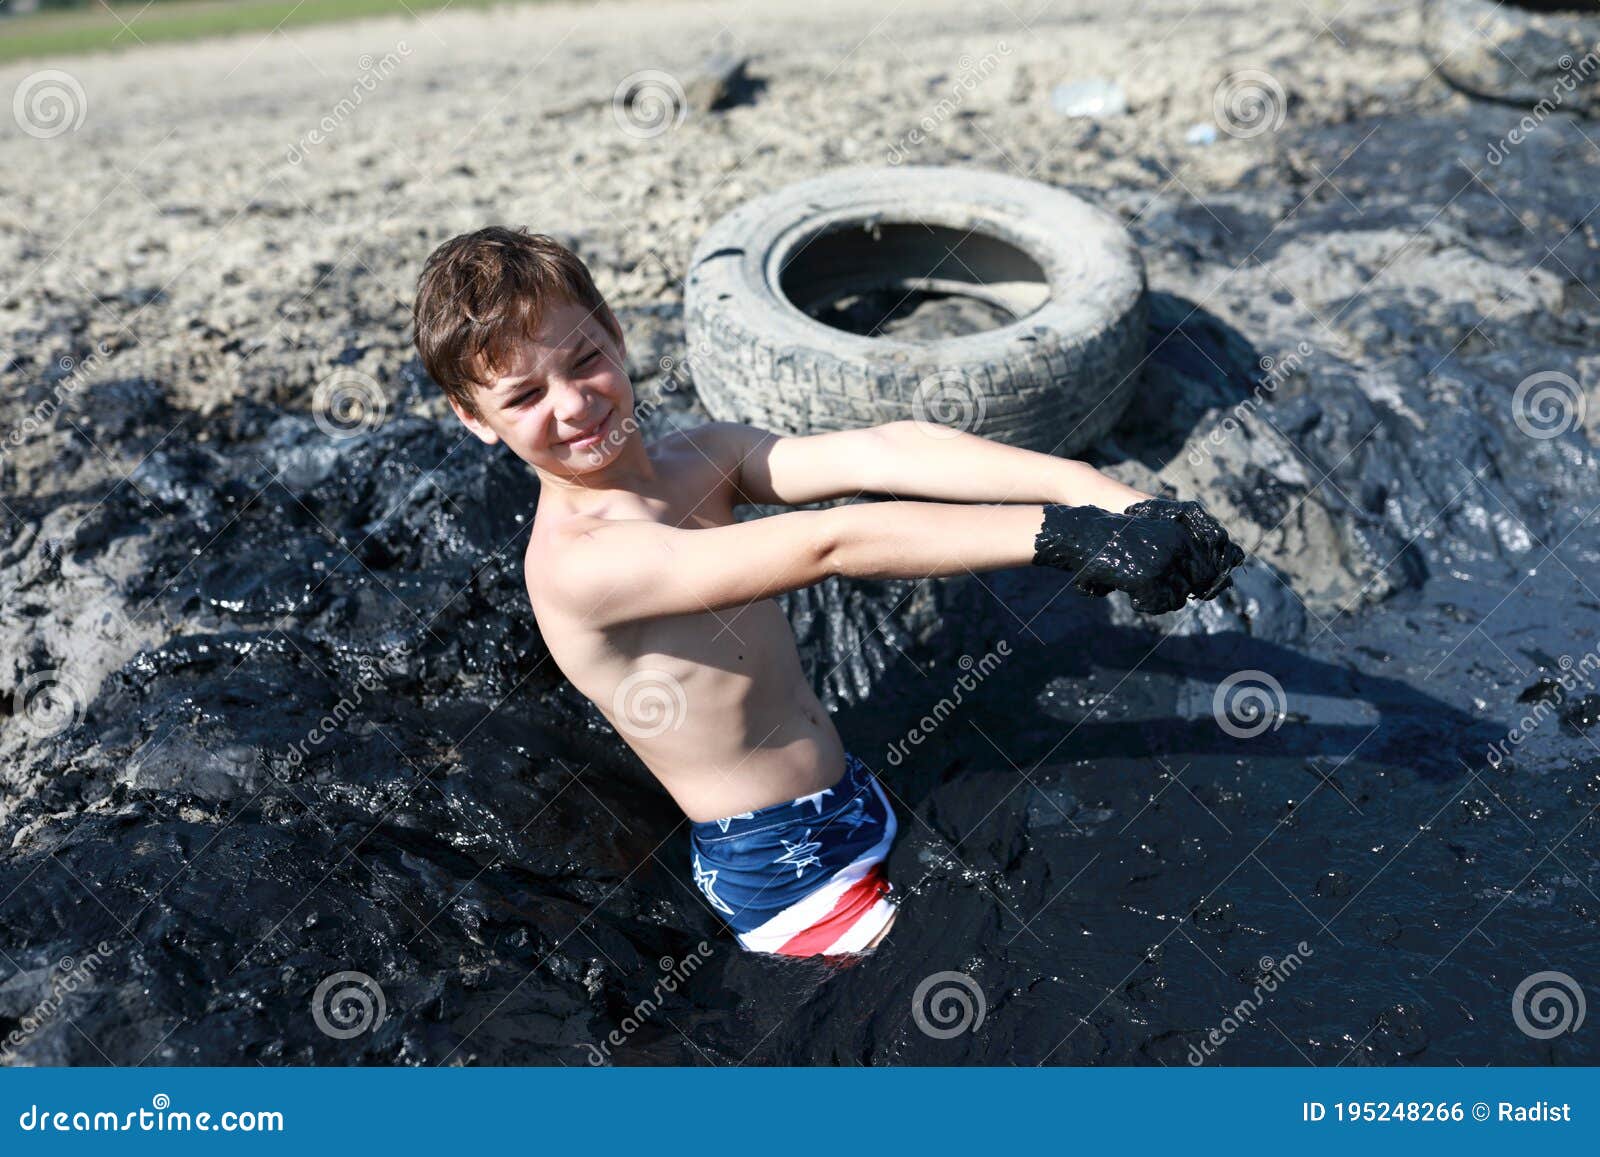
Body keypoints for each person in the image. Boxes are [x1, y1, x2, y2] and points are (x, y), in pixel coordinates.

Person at [411, 226, 1246, 959]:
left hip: (855, 795)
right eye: (523, 396)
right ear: (474, 417)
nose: (572, 402)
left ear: (617, 334)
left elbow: (885, 451)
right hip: (786, 873)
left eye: (585, 359)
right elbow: (829, 543)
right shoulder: (578, 563)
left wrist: (1109, 495)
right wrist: (1062, 536)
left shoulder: (699, 456)